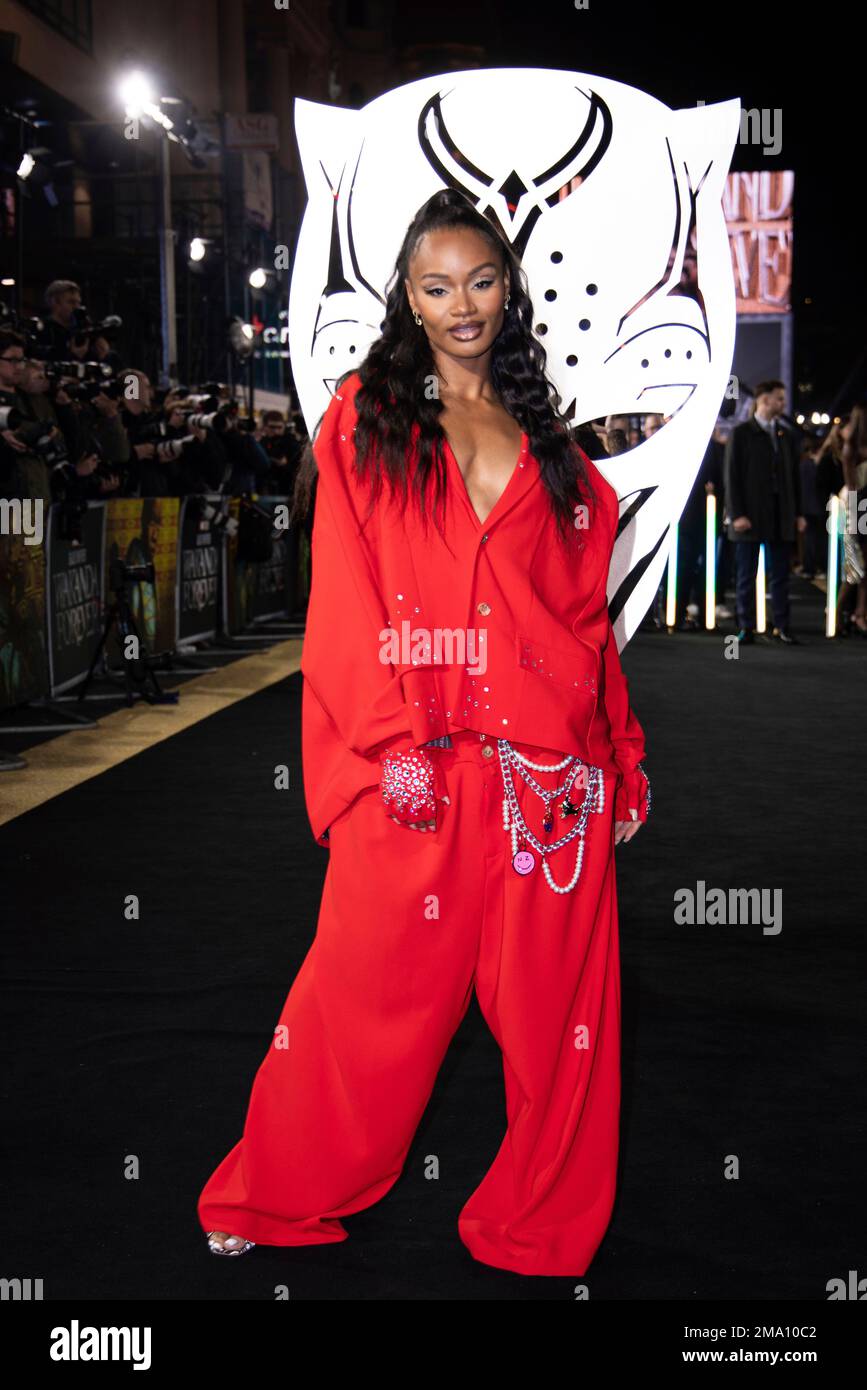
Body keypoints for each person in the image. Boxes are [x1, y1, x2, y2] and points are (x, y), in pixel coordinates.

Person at [197, 188, 651, 1276]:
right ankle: (278, 1191)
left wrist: (621, 759)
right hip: (418, 765)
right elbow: (346, 597)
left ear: (509, 287)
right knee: (359, 996)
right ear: (406, 293)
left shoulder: (551, 446)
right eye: (438, 285)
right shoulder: (366, 418)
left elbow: (582, 620)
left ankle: (540, 1225)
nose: (464, 306)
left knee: (563, 1026)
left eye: (483, 281)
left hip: (551, 778)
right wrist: (387, 742)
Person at [723, 380, 807, 644]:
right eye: (779, 398)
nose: (783, 403)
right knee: (746, 574)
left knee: (781, 574)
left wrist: (798, 513)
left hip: (780, 515)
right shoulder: (742, 433)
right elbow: (731, 477)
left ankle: (782, 626)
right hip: (749, 515)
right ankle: (746, 627)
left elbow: (793, 478)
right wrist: (737, 514)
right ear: (764, 400)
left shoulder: (785, 435)